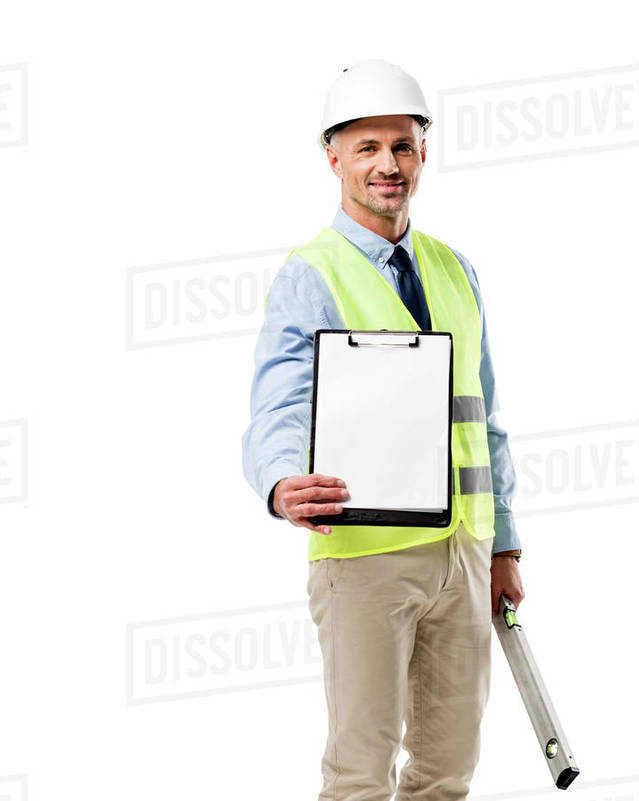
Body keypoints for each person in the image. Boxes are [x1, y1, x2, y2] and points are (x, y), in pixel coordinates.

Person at [240, 59, 524, 801]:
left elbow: (483, 419)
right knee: (361, 771)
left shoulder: (455, 269)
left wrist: (505, 544)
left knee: (447, 769)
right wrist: (277, 482)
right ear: (333, 158)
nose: (386, 165)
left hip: (461, 555)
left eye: (401, 145)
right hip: (365, 558)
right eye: (366, 148)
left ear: (424, 152)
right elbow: (276, 404)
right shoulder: (311, 274)